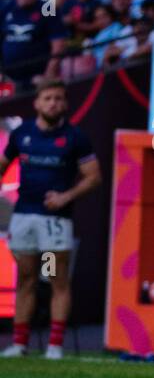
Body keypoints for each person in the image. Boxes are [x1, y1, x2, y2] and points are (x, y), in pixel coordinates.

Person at [1, 79, 100, 359]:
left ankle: (54, 345)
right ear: (37, 103)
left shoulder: (75, 137)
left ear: (65, 103)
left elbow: (94, 177)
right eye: (48, 98)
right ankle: (19, 343)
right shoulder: (22, 134)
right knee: (26, 279)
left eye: (58, 98)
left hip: (54, 221)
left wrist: (66, 197)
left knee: (55, 279)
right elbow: (3, 165)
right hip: (24, 216)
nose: (53, 103)